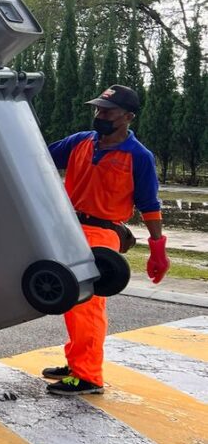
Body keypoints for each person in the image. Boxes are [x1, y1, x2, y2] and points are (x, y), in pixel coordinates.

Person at [42, 84, 169, 395]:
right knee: (72, 301)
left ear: (127, 116)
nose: (100, 115)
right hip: (70, 229)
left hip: (103, 234)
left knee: (88, 304)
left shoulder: (138, 156)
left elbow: (149, 205)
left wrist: (157, 249)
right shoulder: (80, 142)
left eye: (108, 111)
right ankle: (76, 363)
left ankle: (88, 376)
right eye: (98, 109)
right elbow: (38, 155)